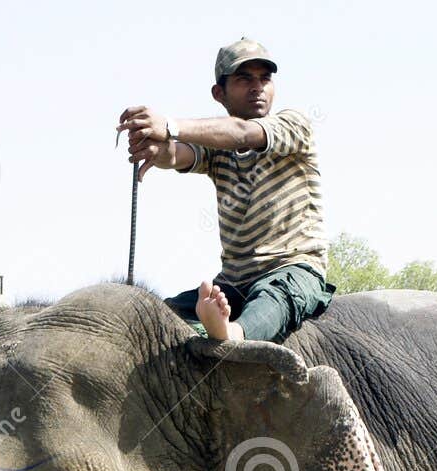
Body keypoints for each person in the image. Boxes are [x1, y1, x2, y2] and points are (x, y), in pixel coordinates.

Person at [117, 38, 335, 346]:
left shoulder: (293, 125)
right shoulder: (216, 148)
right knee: (161, 318)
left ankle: (234, 333)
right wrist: (153, 145)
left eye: (265, 78)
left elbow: (242, 134)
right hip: (234, 282)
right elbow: (179, 154)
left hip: (293, 269)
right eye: (244, 78)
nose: (257, 86)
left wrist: (168, 125)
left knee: (273, 299)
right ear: (219, 93)